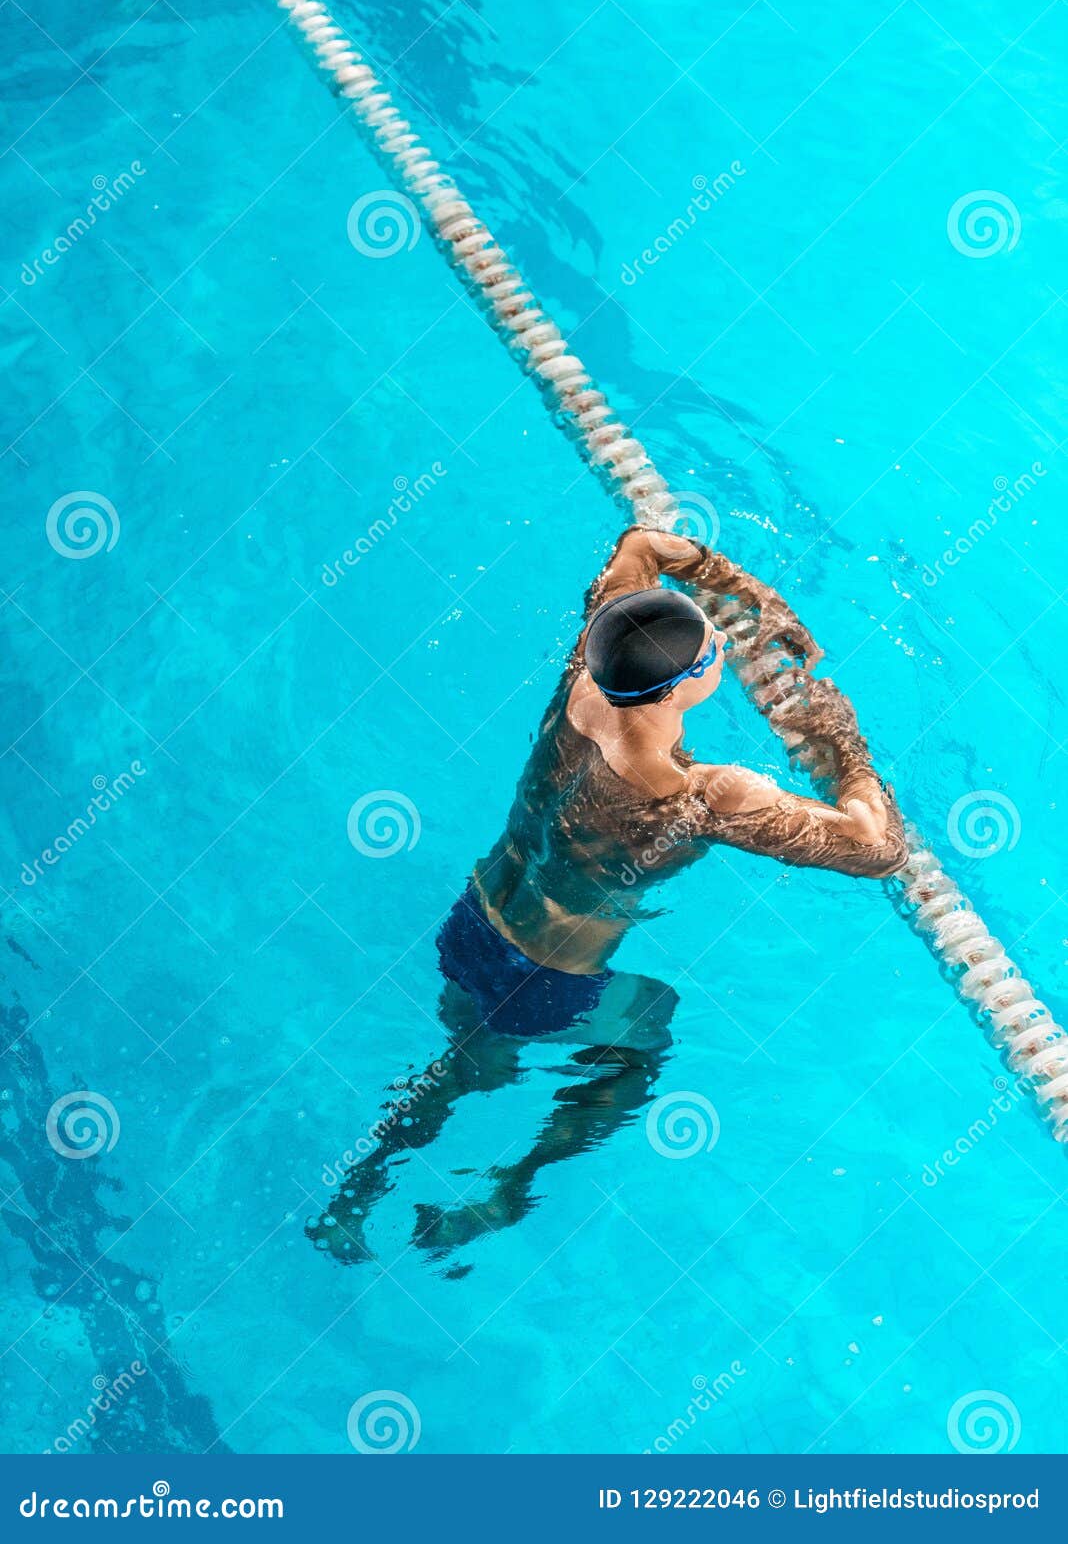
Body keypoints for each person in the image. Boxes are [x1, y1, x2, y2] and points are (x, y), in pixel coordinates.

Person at [308, 527, 906, 1267]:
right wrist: (841, 741)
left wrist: (748, 592)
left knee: (464, 1062)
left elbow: (640, 545)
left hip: (473, 923)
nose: (720, 642)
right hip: (545, 986)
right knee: (648, 1027)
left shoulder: (584, 676)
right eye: (713, 645)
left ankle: (354, 1194)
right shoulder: (704, 794)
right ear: (683, 684)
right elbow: (877, 850)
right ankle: (513, 1186)